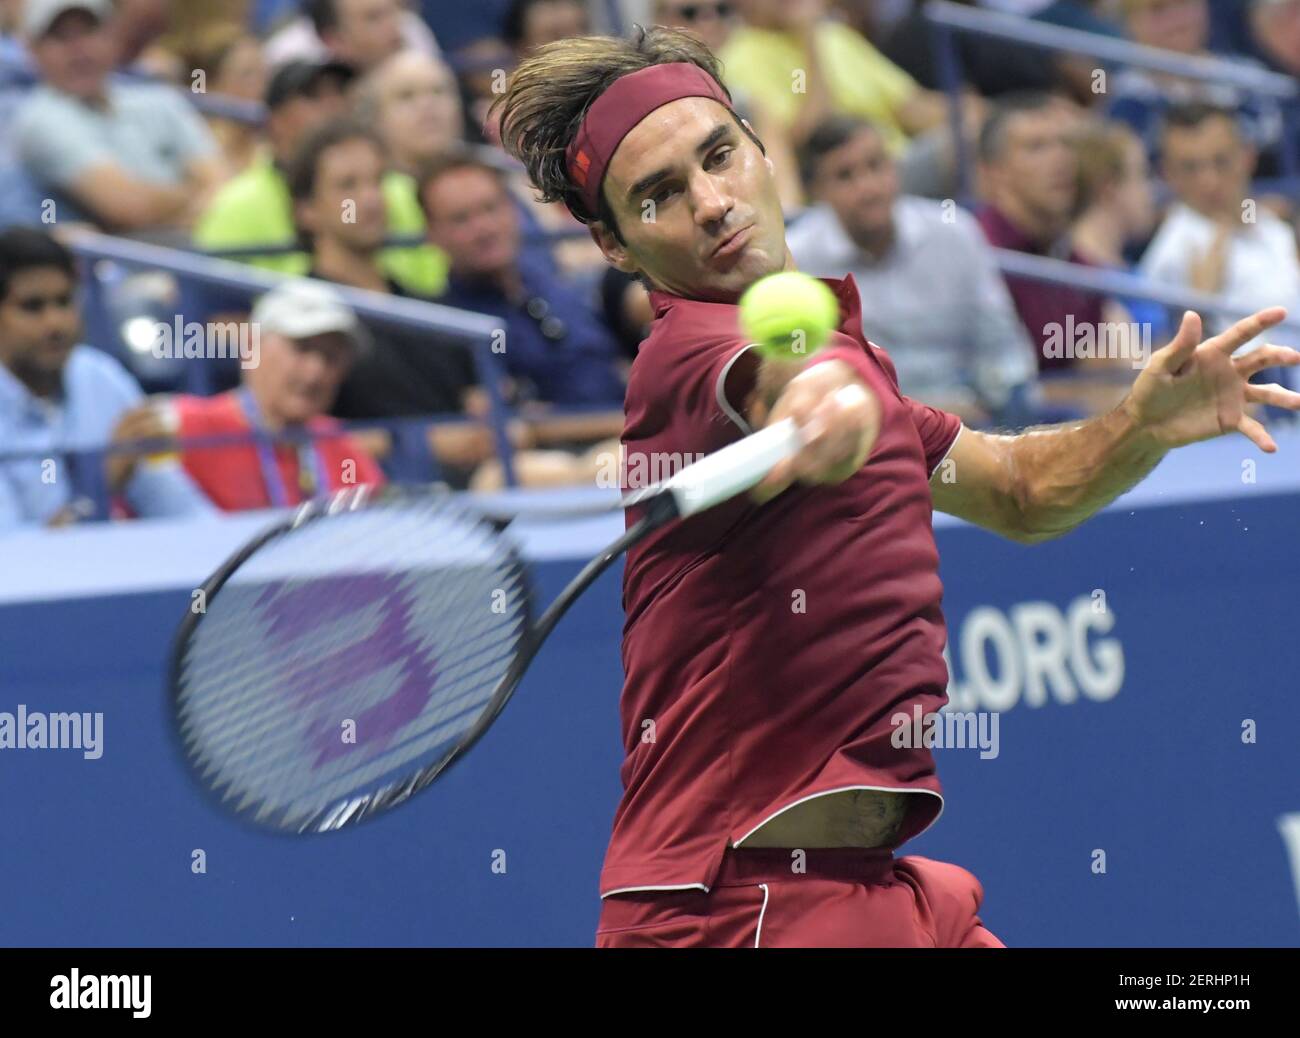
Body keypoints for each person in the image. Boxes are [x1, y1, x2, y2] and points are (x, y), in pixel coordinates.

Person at [491, 24, 1300, 948]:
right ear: (616, 243)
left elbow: (1020, 493)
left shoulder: (851, 363)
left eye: (720, 156)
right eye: (661, 195)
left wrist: (1139, 426)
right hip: (733, 907)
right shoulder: (685, 357)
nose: (713, 203)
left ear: (762, 149)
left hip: (875, 892)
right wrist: (818, 404)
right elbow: (773, 381)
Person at [788, 115, 1037, 424]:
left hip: (972, 418)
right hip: (867, 431)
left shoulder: (955, 232)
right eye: (845, 176)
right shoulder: (797, 258)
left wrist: (998, 406)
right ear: (817, 192)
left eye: (876, 165)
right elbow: (807, 377)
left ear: (895, 166)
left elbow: (1003, 347)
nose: (868, 188)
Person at [0, 227, 214, 529]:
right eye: (33, 307)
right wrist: (98, 489)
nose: (55, 323)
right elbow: (16, 563)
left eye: (64, 302)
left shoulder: (99, 377)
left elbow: (183, 511)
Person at [109, 280, 386, 512]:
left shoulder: (339, 443)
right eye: (302, 348)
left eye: (331, 357)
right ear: (252, 347)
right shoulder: (181, 426)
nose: (316, 372)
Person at [193, 59, 447, 295]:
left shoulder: (403, 191)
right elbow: (219, 312)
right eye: (313, 96)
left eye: (340, 93)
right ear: (276, 120)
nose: (332, 106)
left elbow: (437, 280)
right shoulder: (235, 205)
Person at [14, 0, 229, 231]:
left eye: (89, 31)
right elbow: (131, 207)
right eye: (61, 36)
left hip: (210, 241)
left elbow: (226, 189)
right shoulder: (40, 120)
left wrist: (177, 206)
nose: (79, 49)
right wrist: (196, 196)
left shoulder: (159, 99)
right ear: (33, 50)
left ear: (112, 37)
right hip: (131, 261)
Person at [1138, 102, 1300, 340]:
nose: (1209, 181)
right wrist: (1200, 305)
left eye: (1221, 161)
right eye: (1190, 168)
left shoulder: (1273, 227)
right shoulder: (1171, 252)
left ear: (1248, 156)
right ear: (1168, 174)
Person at [263, 0, 438, 74]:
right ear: (334, 40)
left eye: (393, 11)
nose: (394, 27)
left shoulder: (413, 28)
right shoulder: (286, 54)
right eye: (373, 18)